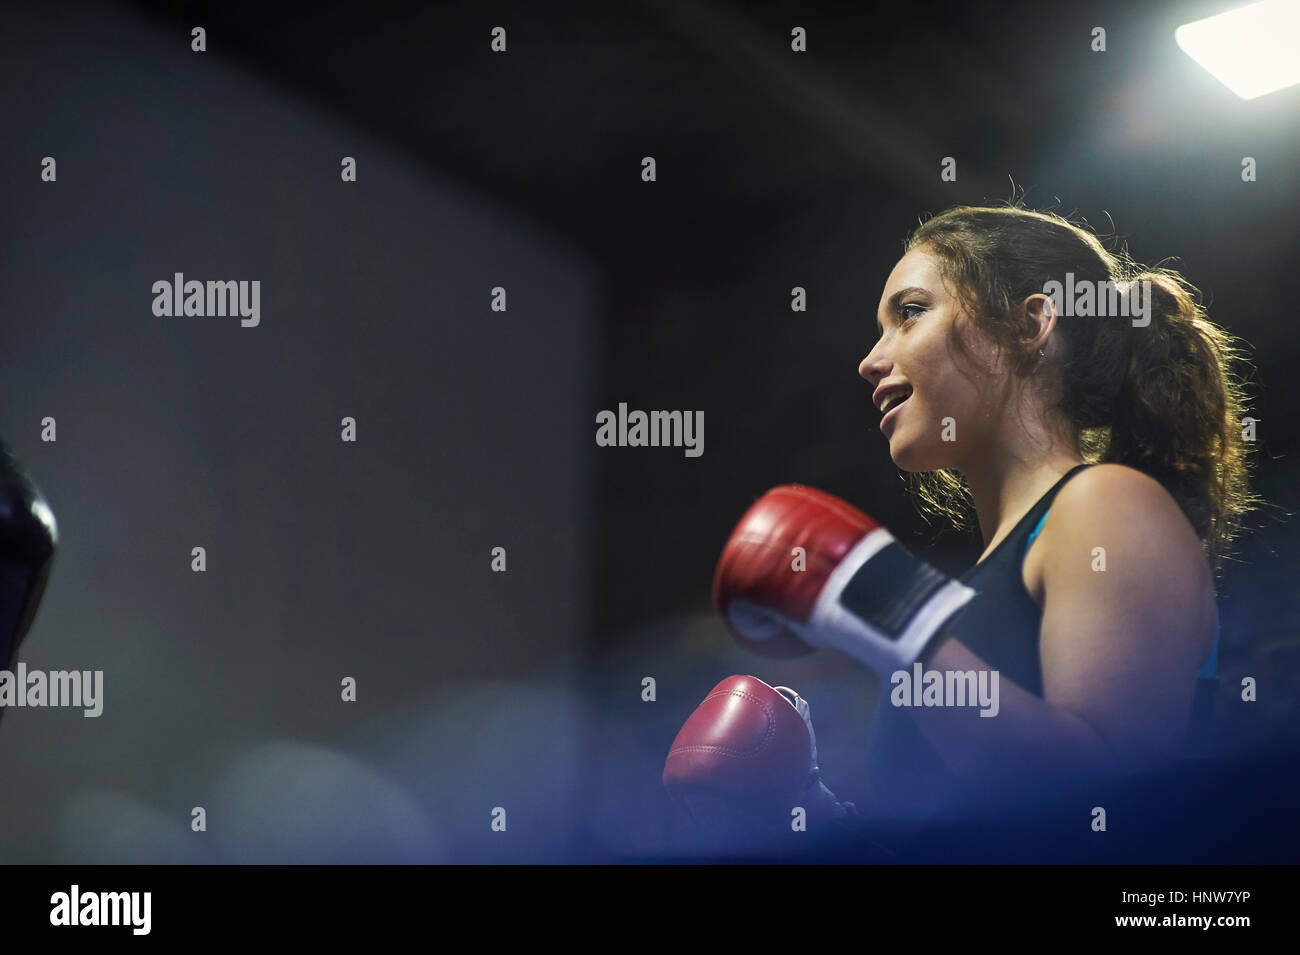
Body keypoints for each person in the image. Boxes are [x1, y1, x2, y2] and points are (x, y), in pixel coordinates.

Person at [674, 205, 1260, 853]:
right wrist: (810, 811)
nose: (872, 360)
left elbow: (1109, 803)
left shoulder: (1107, 504)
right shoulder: (983, 585)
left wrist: (885, 603)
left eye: (911, 312)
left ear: (1031, 323)